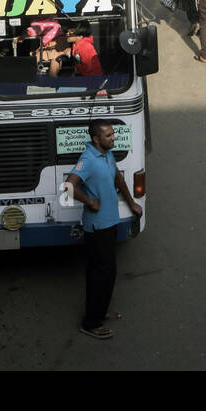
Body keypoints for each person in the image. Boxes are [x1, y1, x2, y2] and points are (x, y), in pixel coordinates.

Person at [64, 120, 142, 340]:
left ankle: (99, 311)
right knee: (102, 274)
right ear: (96, 139)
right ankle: (90, 323)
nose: (113, 138)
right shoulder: (88, 159)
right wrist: (90, 202)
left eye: (113, 134)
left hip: (110, 222)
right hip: (97, 227)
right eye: (108, 135)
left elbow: (118, 178)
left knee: (105, 272)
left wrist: (132, 203)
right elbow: (68, 186)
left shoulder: (107, 154)